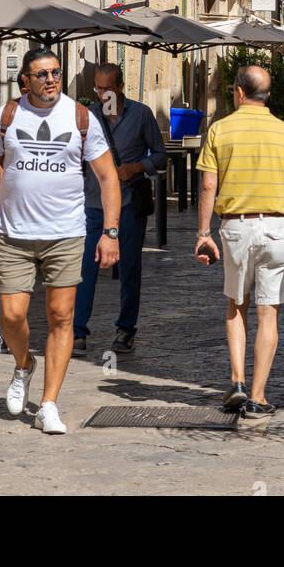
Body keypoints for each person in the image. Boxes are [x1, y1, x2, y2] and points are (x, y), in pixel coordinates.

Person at [0, 49, 121, 434]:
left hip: (65, 234)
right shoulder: (7, 116)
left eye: (55, 73)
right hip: (14, 234)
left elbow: (108, 178)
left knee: (61, 317)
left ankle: (49, 403)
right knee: (14, 317)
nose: (50, 79)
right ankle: (23, 365)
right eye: (41, 74)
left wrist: (111, 231)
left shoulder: (81, 117)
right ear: (25, 82)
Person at [195, 65, 284, 415]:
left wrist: (203, 233)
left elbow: (209, 186)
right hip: (275, 228)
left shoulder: (220, 129)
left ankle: (237, 382)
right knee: (268, 313)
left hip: (236, 227)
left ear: (239, 93)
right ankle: (258, 397)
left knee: (236, 306)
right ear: (267, 95)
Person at [73, 62, 167, 356]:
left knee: (129, 270)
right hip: (92, 204)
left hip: (128, 204)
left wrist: (137, 167)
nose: (103, 94)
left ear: (121, 87)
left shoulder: (141, 115)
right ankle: (78, 332)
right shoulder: (86, 117)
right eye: (98, 89)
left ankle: (126, 330)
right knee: (85, 268)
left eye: (108, 88)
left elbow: (161, 154)